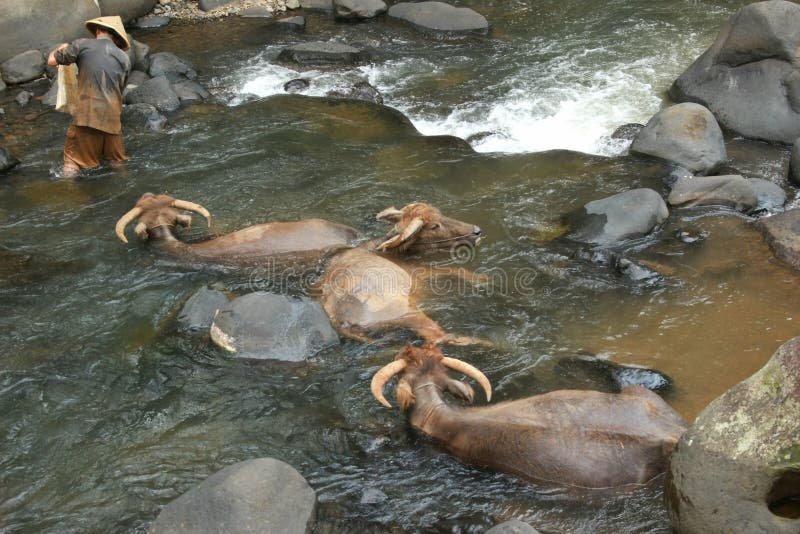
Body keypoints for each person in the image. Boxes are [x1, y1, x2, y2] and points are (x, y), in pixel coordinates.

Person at [47, 16, 131, 177]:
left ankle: (71, 198)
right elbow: (121, 88)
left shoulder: (82, 44)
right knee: (117, 163)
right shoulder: (125, 58)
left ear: (98, 30)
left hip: (87, 116)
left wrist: (62, 48)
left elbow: (52, 61)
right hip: (113, 120)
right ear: (116, 38)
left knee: (72, 164)